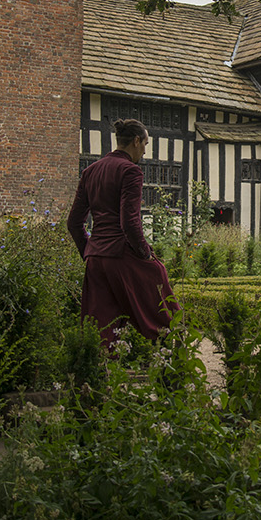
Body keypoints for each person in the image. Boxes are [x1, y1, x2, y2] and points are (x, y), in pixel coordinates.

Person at [66, 117, 178, 349]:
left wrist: (89, 252)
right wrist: (145, 254)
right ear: (136, 141)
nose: (144, 152)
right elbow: (129, 223)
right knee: (162, 303)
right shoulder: (130, 171)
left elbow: (74, 223)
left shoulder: (90, 171)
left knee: (101, 329)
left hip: (96, 260)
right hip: (120, 255)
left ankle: (99, 378)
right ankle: (171, 365)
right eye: (145, 145)